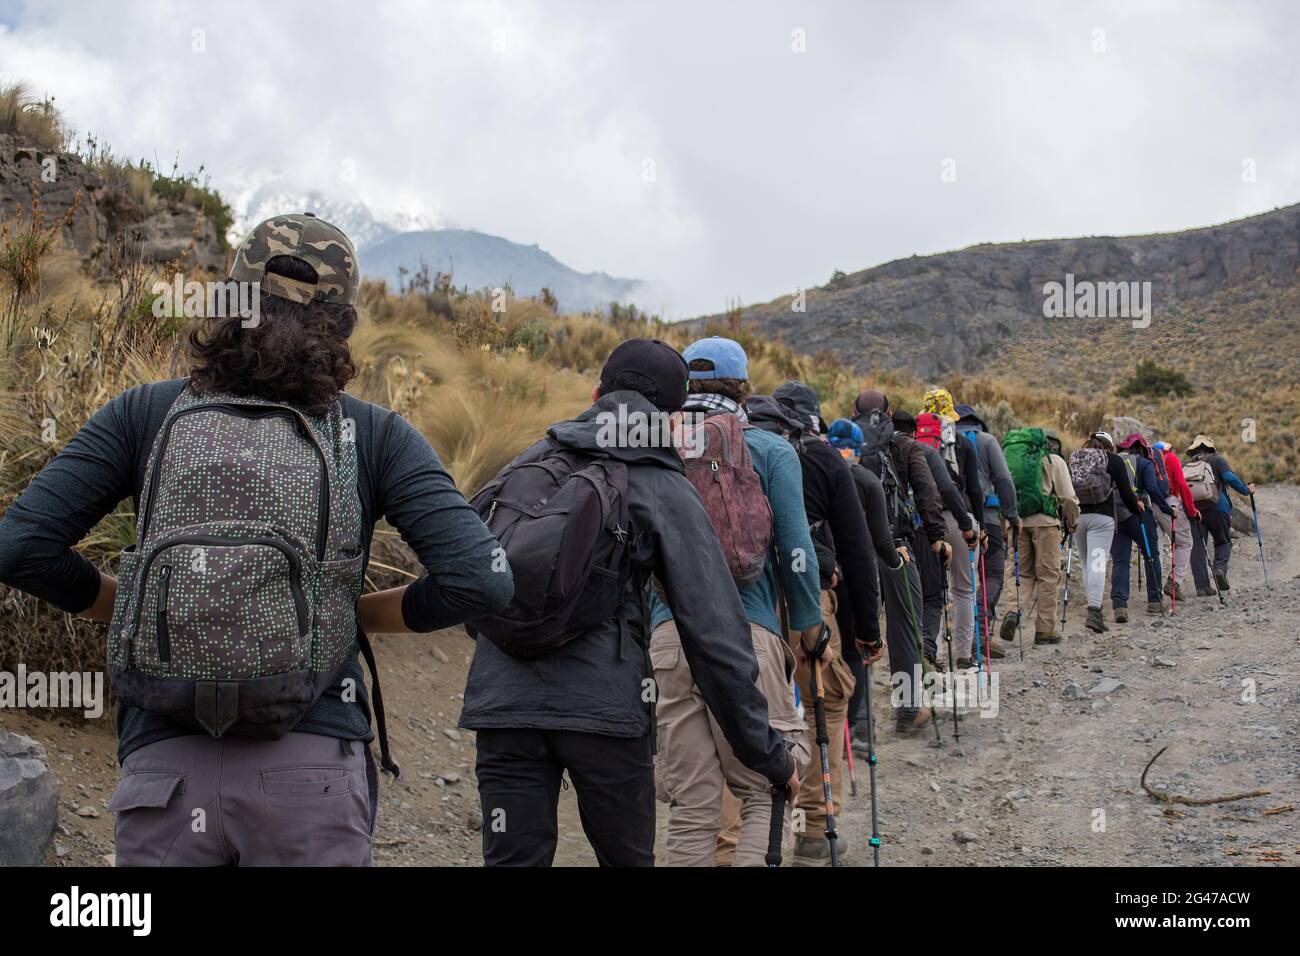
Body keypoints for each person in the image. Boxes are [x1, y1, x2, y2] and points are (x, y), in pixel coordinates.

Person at [0, 214, 515, 866]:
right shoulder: (375, 434)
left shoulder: (143, 413)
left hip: (165, 773)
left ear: (228, 299)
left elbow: (19, 547)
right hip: (311, 776)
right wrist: (355, 615)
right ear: (344, 320)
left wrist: (123, 601)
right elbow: (483, 579)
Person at [459, 338, 799, 867]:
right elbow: (713, 636)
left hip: (502, 705)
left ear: (597, 393)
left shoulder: (528, 459)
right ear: (670, 417)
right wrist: (768, 754)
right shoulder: (660, 482)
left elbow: (469, 573)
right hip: (605, 715)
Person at [647, 337, 817, 867]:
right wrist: (811, 628)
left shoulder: (653, 447)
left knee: (692, 805)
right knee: (764, 788)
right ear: (743, 387)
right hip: (748, 635)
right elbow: (796, 550)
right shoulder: (769, 449)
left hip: (668, 641)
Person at [756, 381, 883, 865]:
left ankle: (734, 843)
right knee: (824, 701)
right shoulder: (822, 458)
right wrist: (867, 631)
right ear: (812, 420)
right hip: (804, 600)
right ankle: (814, 826)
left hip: (730, 606)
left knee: (745, 710)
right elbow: (858, 548)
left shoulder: (727, 447)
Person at [849, 389, 949, 727]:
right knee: (905, 625)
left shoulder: (845, 438)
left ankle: (859, 720)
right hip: (898, 546)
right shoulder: (905, 445)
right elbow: (927, 491)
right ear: (890, 415)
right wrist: (937, 537)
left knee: (858, 626)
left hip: (854, 547)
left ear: (854, 411)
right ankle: (907, 710)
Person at [825, 419, 910, 753]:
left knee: (827, 651)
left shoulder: (815, 473)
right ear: (860, 450)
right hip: (858, 578)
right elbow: (881, 539)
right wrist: (896, 562)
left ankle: (834, 728)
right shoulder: (866, 480)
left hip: (822, 576)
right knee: (857, 650)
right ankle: (858, 728)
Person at [897, 408, 984, 670]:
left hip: (900, 529)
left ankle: (923, 652)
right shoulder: (952, 447)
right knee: (959, 590)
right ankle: (962, 654)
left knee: (915, 592)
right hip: (941, 523)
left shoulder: (884, 449)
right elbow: (954, 488)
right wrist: (969, 525)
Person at [953, 402, 1021, 649]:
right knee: (991, 573)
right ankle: (980, 635)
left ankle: (945, 646)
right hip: (986, 520)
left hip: (945, 521)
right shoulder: (986, 440)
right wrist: (1012, 515)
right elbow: (1003, 479)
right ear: (977, 421)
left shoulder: (941, 442)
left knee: (959, 585)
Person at [1008, 427, 1079, 645]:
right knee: (1048, 576)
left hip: (1018, 522)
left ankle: (1013, 611)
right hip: (1046, 524)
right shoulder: (1054, 460)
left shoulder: (1016, 460)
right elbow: (1067, 497)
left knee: (1023, 574)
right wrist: (1073, 521)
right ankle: (1045, 629)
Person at [1068, 432, 1142, 633]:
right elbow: (1127, 494)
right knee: (1098, 564)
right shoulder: (1114, 460)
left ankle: (1093, 608)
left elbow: (1067, 491)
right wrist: (1137, 510)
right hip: (1103, 519)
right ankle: (1094, 611)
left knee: (1085, 564)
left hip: (1078, 518)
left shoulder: (1075, 458)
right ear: (1108, 446)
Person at [1184, 435, 1255, 594]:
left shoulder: (1187, 464)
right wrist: (1246, 490)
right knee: (1223, 542)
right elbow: (1229, 478)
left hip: (1194, 511)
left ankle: (1202, 587)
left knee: (1197, 548)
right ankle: (1219, 570)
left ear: (1193, 450)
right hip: (1218, 507)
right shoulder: (1217, 459)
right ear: (1210, 447)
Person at [1113, 434, 1172, 619]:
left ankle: (1120, 606)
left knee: (1120, 561)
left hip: (1117, 516)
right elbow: (1153, 490)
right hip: (1140, 516)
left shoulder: (1115, 462)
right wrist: (1167, 509)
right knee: (1151, 555)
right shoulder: (1145, 463)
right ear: (1143, 448)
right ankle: (1155, 601)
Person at [1151, 440, 1201, 603]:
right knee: (1185, 542)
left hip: (1149, 505)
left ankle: (1154, 593)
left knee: (1155, 549)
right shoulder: (1171, 458)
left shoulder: (1147, 459)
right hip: (1169, 502)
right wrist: (1192, 510)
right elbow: (1181, 484)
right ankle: (1174, 582)